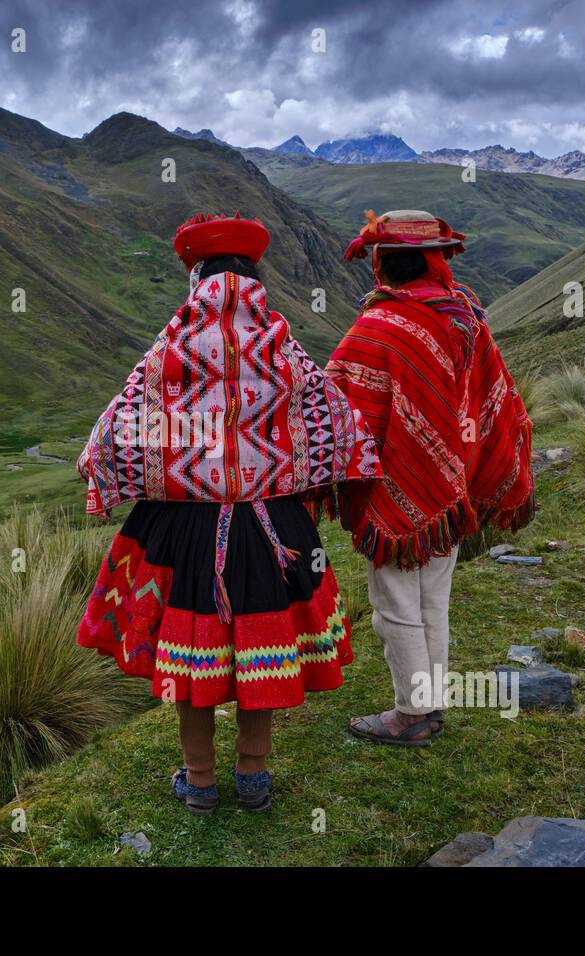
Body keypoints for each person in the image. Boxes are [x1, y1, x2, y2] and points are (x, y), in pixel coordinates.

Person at [76, 212, 381, 814]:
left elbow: (115, 433)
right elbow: (339, 423)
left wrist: (121, 478)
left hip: (185, 528)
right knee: (262, 648)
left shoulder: (175, 344)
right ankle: (254, 777)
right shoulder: (280, 343)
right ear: (254, 272)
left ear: (195, 274)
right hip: (274, 528)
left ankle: (200, 780)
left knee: (193, 657)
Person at [326, 210, 534, 746]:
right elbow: (496, 401)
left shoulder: (379, 325)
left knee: (396, 606)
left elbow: (336, 405)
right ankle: (429, 703)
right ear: (434, 259)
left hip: (396, 493)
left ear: (381, 262)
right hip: (452, 489)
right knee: (431, 602)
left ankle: (412, 715)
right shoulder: (466, 317)